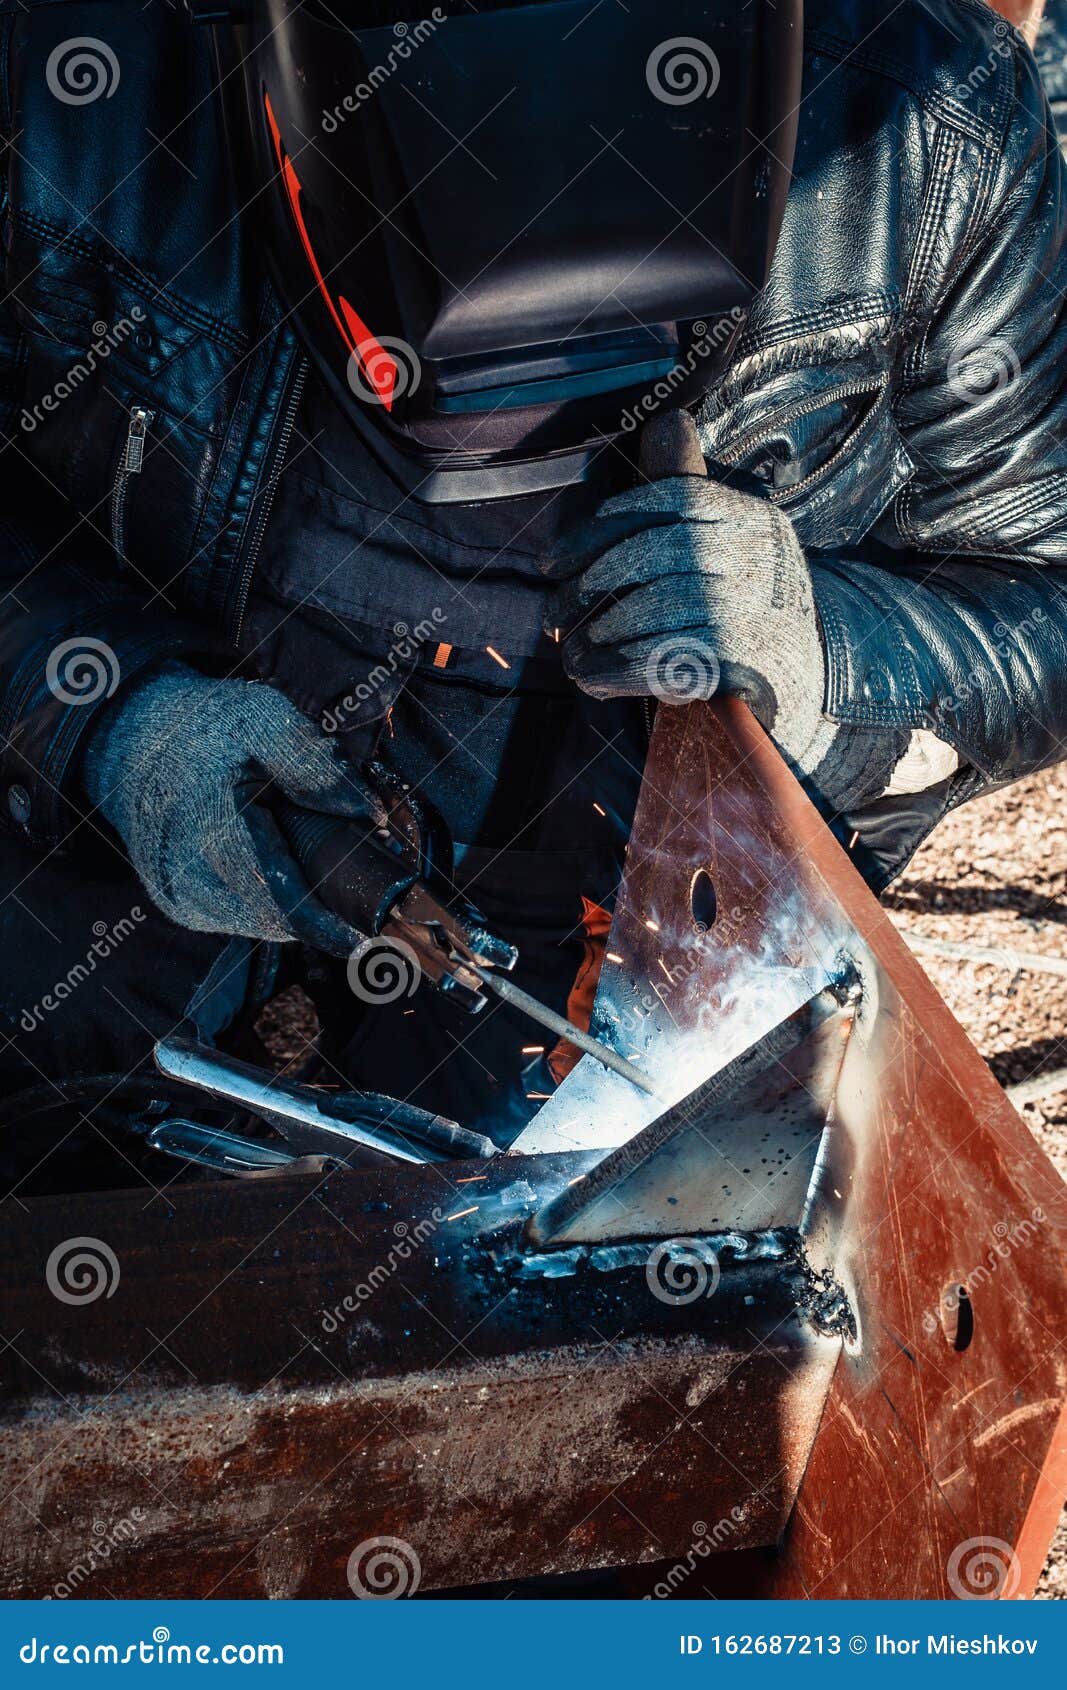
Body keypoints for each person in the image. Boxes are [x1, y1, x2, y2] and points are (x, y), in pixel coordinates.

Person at [2, 0, 1066, 1156]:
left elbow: (1040, 604)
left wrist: (826, 657)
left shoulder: (923, 117)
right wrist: (107, 714)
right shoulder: (77, 63)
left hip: (607, 827)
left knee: (569, 1237)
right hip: (165, 741)